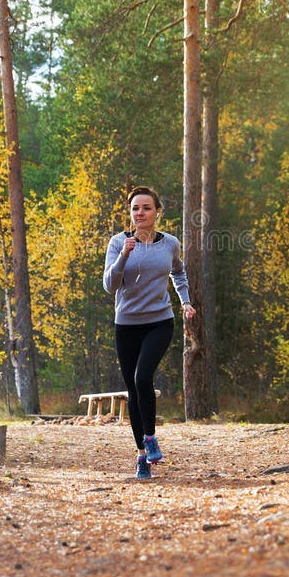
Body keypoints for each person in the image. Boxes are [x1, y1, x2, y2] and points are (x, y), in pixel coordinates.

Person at [103, 186, 196, 480]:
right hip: (126, 324)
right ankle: (142, 456)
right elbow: (109, 285)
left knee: (142, 378)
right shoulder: (118, 243)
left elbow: (178, 272)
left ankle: (151, 437)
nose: (140, 213)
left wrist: (185, 301)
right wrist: (124, 255)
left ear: (157, 212)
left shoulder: (170, 244)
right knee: (133, 389)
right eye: (135, 208)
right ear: (130, 213)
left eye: (146, 207)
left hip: (159, 321)